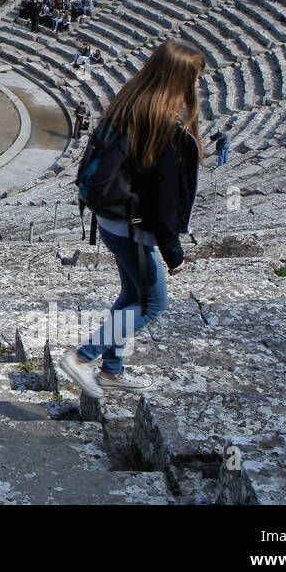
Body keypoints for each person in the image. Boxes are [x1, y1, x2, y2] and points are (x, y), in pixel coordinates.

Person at [57, 41, 203, 398]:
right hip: (132, 229)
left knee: (131, 294)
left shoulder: (130, 104)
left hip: (110, 221)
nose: (198, 86)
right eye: (195, 79)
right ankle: (82, 357)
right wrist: (173, 251)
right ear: (179, 79)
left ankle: (112, 371)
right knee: (154, 303)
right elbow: (163, 198)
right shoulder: (163, 127)